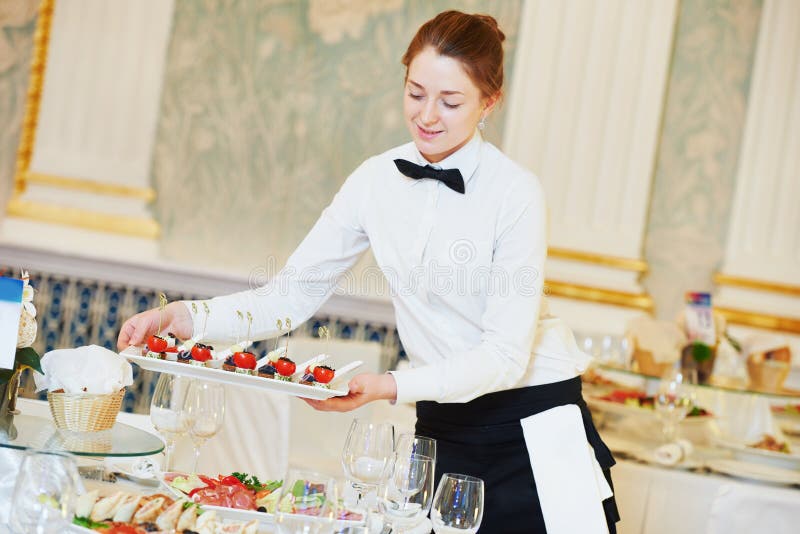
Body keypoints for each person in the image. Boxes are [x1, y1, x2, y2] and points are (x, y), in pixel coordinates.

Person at [118, 10, 618, 533]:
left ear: (489, 102)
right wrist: (181, 318)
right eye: (415, 92)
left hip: (532, 429)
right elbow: (286, 298)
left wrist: (387, 385)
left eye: (450, 102)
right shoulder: (375, 180)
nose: (427, 115)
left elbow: (505, 357)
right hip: (444, 424)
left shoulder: (517, 194)